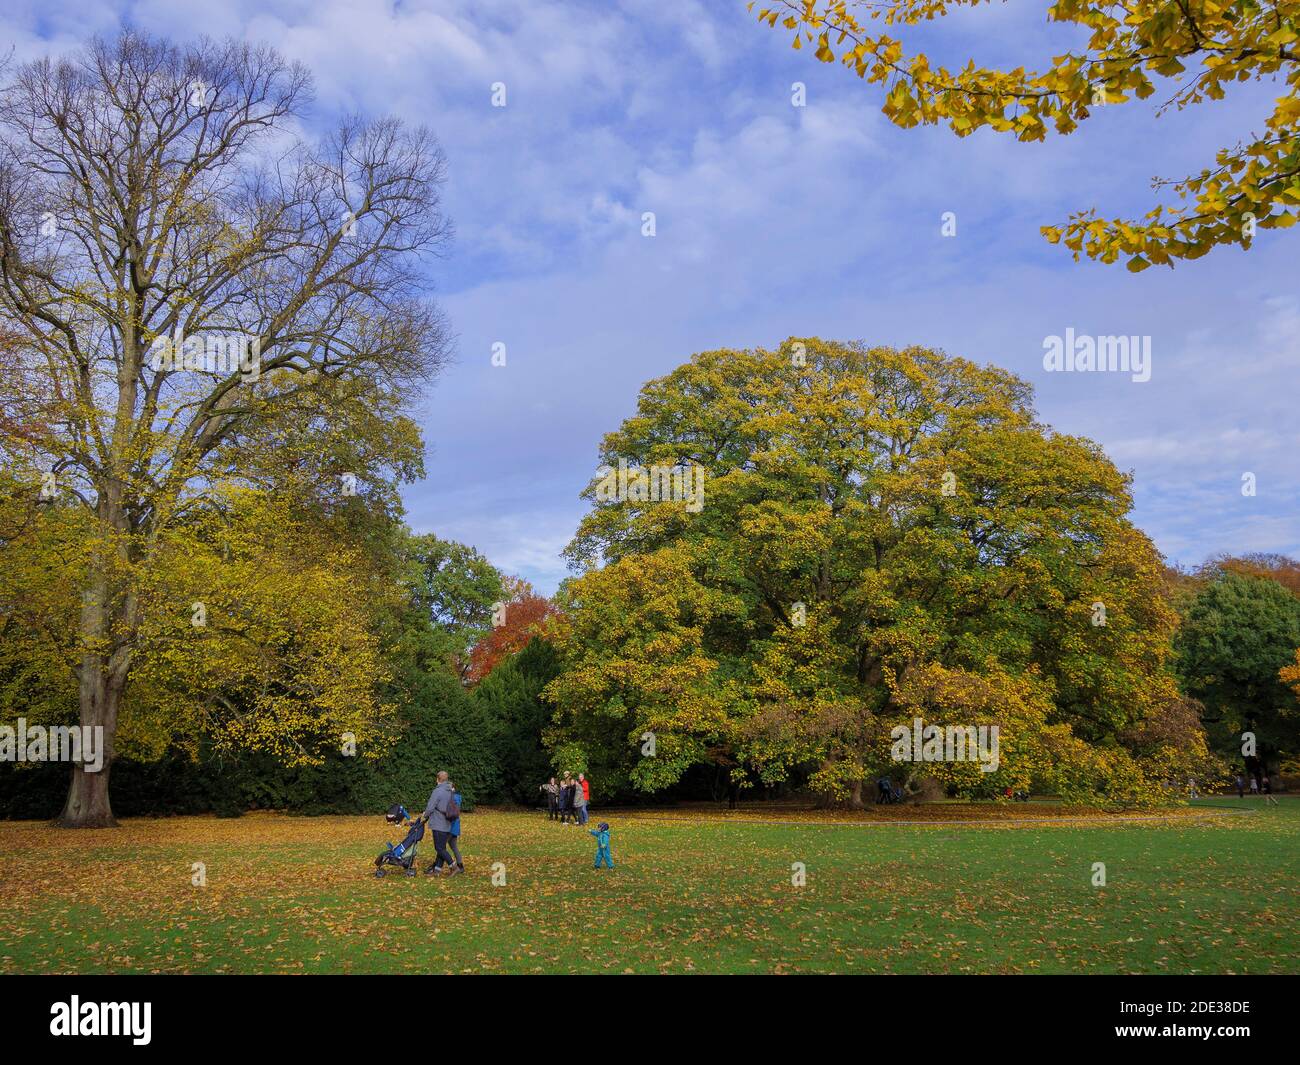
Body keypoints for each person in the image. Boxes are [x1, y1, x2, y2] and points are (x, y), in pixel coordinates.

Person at [422, 771, 460, 876]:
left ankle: (453, 866)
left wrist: (425, 815)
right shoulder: (450, 790)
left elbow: (430, 807)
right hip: (448, 822)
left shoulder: (437, 791)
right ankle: (437, 870)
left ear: (437, 779)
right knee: (441, 847)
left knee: (439, 848)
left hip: (438, 822)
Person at [446, 783, 465, 872]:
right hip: (456, 825)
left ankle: (437, 866)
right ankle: (460, 865)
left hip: (450, 826)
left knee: (441, 847)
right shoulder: (458, 797)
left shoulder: (451, 798)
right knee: (453, 846)